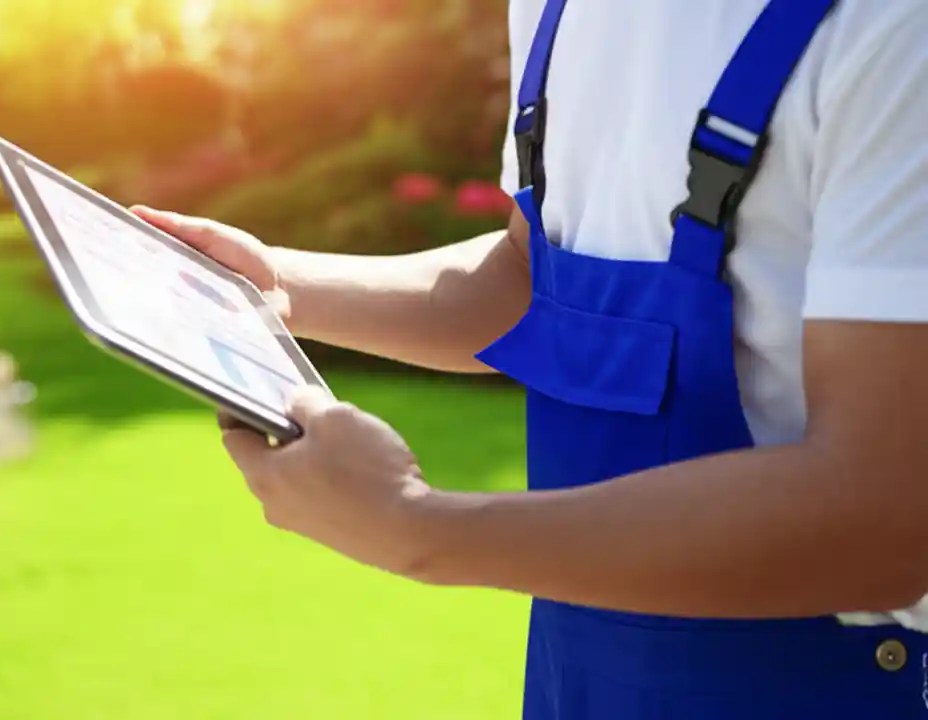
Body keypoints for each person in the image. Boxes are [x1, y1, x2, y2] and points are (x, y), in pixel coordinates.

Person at [133, 0, 928, 716]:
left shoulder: (891, 30)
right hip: (578, 684)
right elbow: (528, 277)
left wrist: (419, 527)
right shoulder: (561, 11)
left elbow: (883, 517)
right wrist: (277, 284)